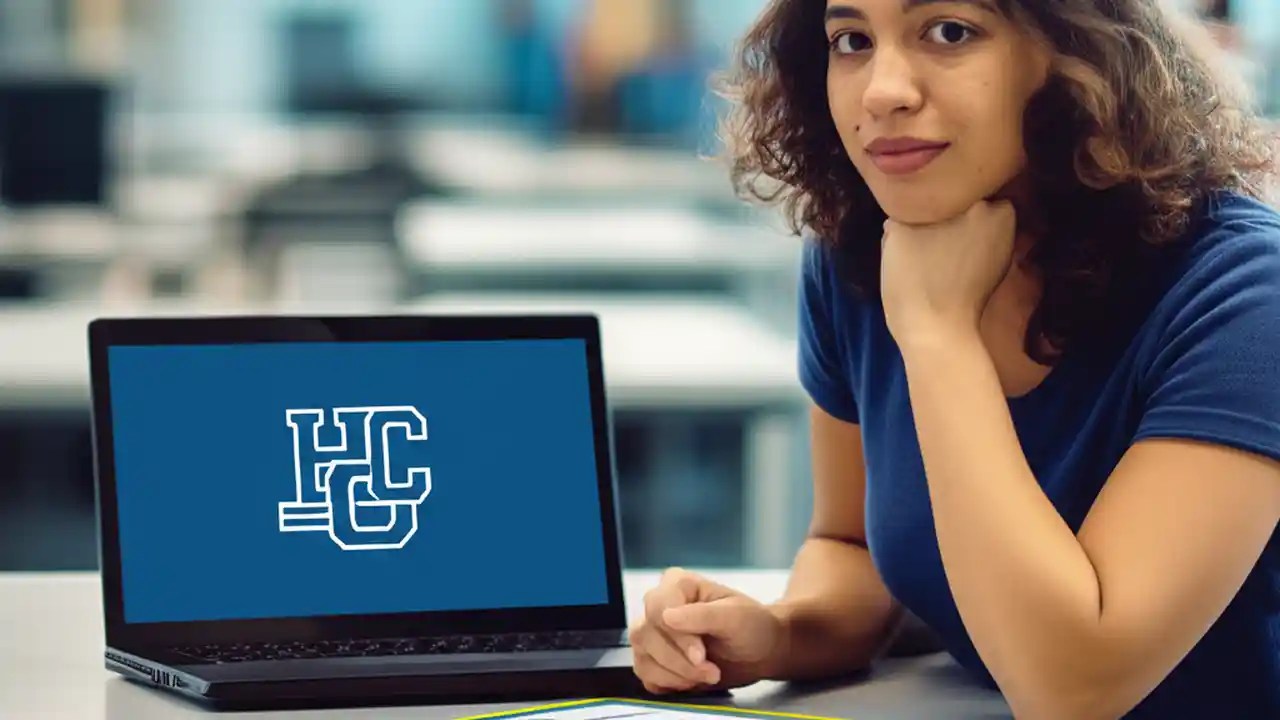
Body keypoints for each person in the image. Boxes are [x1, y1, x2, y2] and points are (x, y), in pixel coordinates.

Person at [628, 1, 1280, 718]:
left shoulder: (1244, 292)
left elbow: (1075, 686)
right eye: (852, 41)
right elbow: (852, 546)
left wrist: (938, 333)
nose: (882, 89)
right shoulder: (862, 250)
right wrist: (779, 633)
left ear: (1079, 55)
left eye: (948, 32)